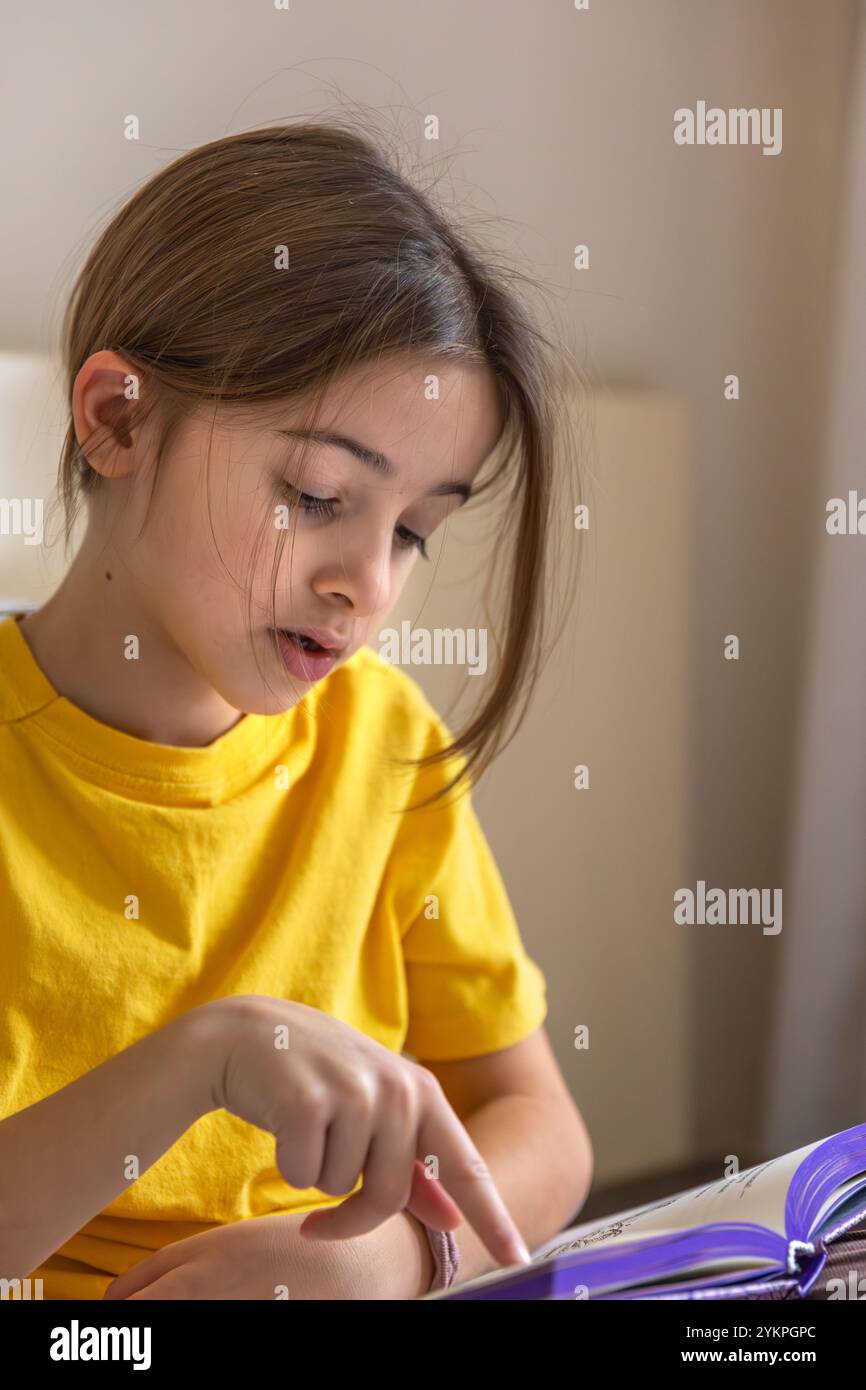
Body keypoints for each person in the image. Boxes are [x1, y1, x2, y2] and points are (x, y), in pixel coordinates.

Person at [0, 120, 593, 1300]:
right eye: (318, 493)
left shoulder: (381, 740)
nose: (367, 584)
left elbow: (538, 1125)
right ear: (117, 418)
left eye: (414, 527)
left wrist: (393, 1253)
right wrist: (200, 1061)